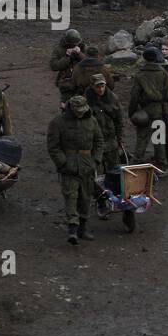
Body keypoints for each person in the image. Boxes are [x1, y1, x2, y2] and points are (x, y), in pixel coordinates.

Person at [46, 94, 105, 245]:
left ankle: (83, 228)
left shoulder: (92, 121)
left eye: (82, 109)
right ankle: (72, 228)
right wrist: (63, 163)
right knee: (70, 196)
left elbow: (99, 141)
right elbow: (53, 147)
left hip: (87, 165)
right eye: (77, 110)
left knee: (85, 198)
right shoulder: (58, 123)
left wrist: (96, 160)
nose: (80, 112)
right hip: (69, 165)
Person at [128, 46, 168, 171]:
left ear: (145, 59)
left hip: (144, 111)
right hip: (160, 111)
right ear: (156, 59)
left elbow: (134, 96)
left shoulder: (139, 75)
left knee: (141, 139)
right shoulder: (165, 74)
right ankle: (161, 166)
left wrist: (132, 112)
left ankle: (135, 168)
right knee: (159, 140)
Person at [85, 73, 124, 174]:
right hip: (95, 144)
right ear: (92, 86)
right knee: (97, 174)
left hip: (111, 142)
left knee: (115, 172)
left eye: (102, 86)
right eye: (98, 87)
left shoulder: (113, 98)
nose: (101, 89)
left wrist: (120, 140)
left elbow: (119, 121)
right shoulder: (86, 102)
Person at [50, 29, 87, 103]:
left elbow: (89, 61)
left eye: (75, 44)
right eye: (72, 44)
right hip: (66, 82)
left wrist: (80, 54)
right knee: (67, 105)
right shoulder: (59, 50)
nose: (74, 46)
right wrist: (67, 57)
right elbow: (54, 66)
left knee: (82, 104)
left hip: (81, 81)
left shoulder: (82, 46)